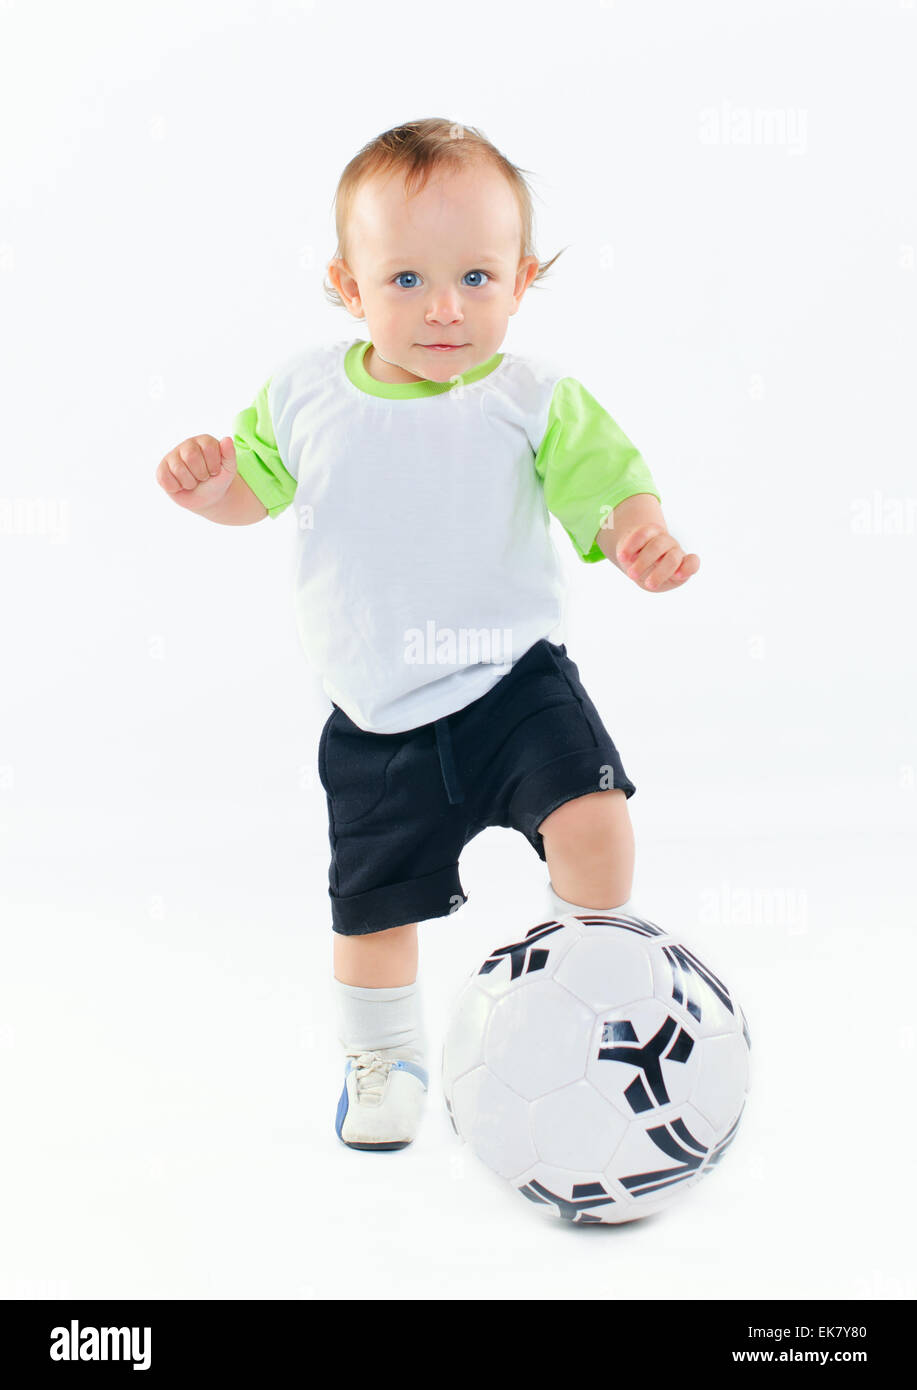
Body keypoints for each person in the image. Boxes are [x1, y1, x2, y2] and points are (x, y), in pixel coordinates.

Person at [154, 117, 700, 1154]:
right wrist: (212, 483)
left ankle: (583, 985)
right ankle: (384, 1059)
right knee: (370, 912)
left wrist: (639, 537)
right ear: (346, 284)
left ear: (521, 279)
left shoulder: (528, 397)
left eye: (475, 278)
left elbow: (609, 485)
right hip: (377, 716)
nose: (444, 308)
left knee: (593, 819)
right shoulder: (302, 395)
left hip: (511, 681)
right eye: (404, 279)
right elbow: (252, 492)